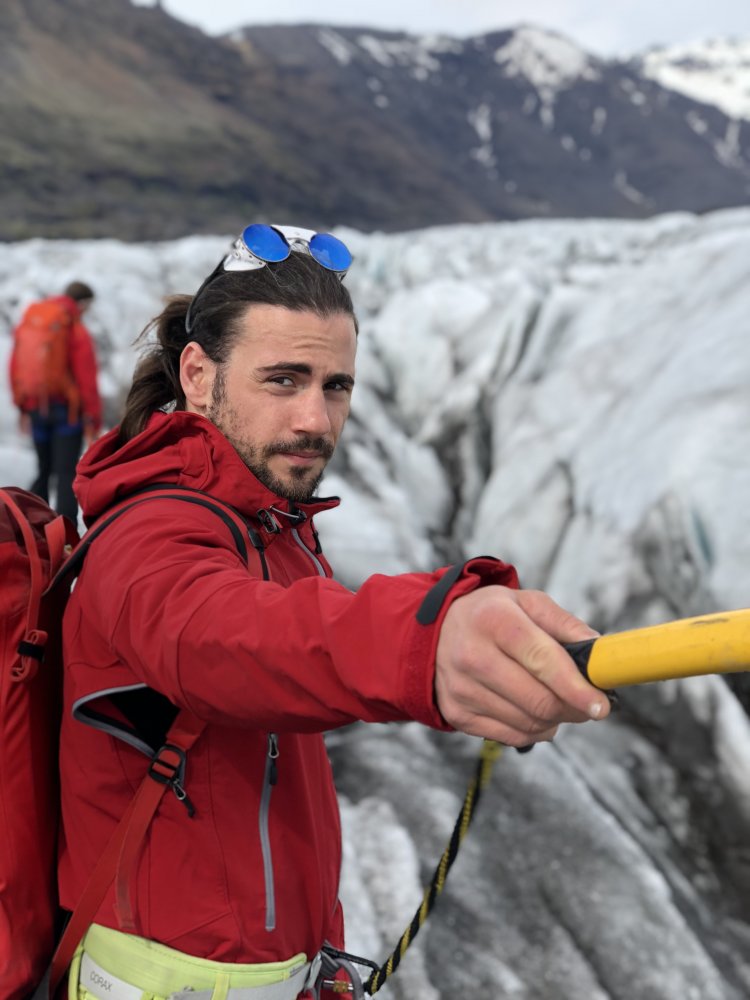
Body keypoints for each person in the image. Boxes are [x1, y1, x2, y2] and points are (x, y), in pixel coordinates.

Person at [58, 225, 610, 999]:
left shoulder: (267, 522)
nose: (316, 419)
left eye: (335, 385)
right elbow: (219, 638)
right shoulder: (147, 531)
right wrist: (426, 641)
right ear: (197, 375)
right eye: (283, 380)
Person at [9, 280, 102, 522]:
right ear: (82, 304)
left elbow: (15, 364)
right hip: (66, 413)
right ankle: (66, 534)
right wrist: (93, 417)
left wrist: (22, 404)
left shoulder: (35, 320)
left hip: (35, 407)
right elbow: (86, 378)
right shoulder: (74, 329)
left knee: (44, 469)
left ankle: (28, 524)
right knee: (66, 473)